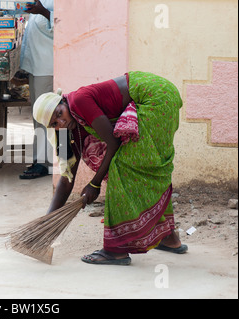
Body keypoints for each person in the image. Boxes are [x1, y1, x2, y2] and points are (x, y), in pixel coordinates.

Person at [33, 71, 188, 265]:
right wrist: (47, 224)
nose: (61, 122)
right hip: (156, 95)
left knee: (121, 168)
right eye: (54, 124)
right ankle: (169, 238)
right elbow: (67, 177)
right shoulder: (65, 132)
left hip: (156, 97)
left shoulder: (79, 101)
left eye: (59, 114)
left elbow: (113, 143)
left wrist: (94, 184)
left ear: (63, 101)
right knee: (141, 169)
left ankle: (116, 250)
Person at [18, 0, 54, 179]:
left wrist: (43, 12)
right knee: (38, 116)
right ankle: (42, 160)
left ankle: (44, 163)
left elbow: (62, 26)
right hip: (36, 66)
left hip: (47, 67)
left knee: (44, 116)